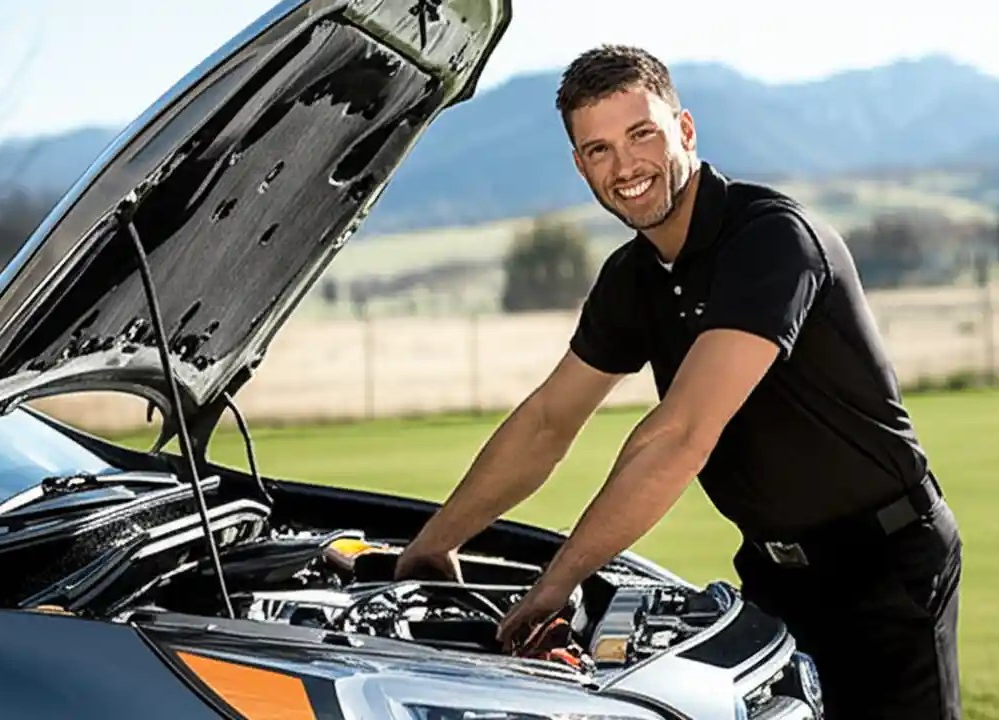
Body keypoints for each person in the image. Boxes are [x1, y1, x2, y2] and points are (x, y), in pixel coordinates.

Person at [393, 44, 962, 720]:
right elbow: (548, 421)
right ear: (581, 166)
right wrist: (433, 546)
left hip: (887, 568)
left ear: (684, 130)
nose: (626, 166)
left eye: (642, 134)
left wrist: (554, 587)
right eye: (599, 149)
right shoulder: (632, 281)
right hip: (774, 574)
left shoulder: (772, 241)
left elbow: (681, 434)